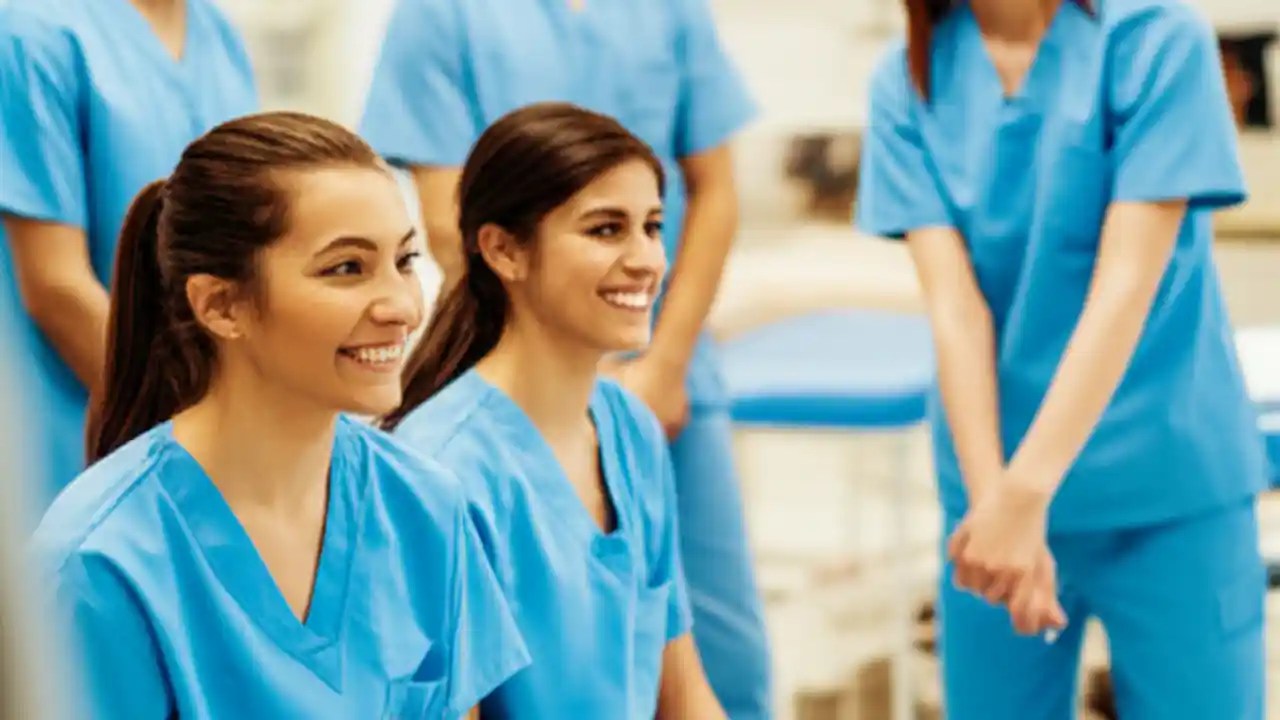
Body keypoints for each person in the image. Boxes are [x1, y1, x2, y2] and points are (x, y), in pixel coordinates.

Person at [32, 112, 529, 720]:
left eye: (404, 261)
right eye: (346, 268)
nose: (402, 306)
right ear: (221, 305)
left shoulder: (426, 507)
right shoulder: (100, 563)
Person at [856, 0, 1267, 718]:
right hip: (988, 495)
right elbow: (956, 312)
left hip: (1168, 487)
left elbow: (1124, 285)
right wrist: (994, 509)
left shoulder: (1154, 40)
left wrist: (1024, 495)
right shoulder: (908, 81)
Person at [360, 3, 773, 714]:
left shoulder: (626, 432)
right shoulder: (442, 474)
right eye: (606, 229)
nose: (646, 260)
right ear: (502, 249)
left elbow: (686, 694)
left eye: (651, 226)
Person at [0, 0, 257, 505]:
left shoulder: (217, 35)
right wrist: (193, 439)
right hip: (73, 433)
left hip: (195, 431)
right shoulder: (32, 32)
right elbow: (55, 288)